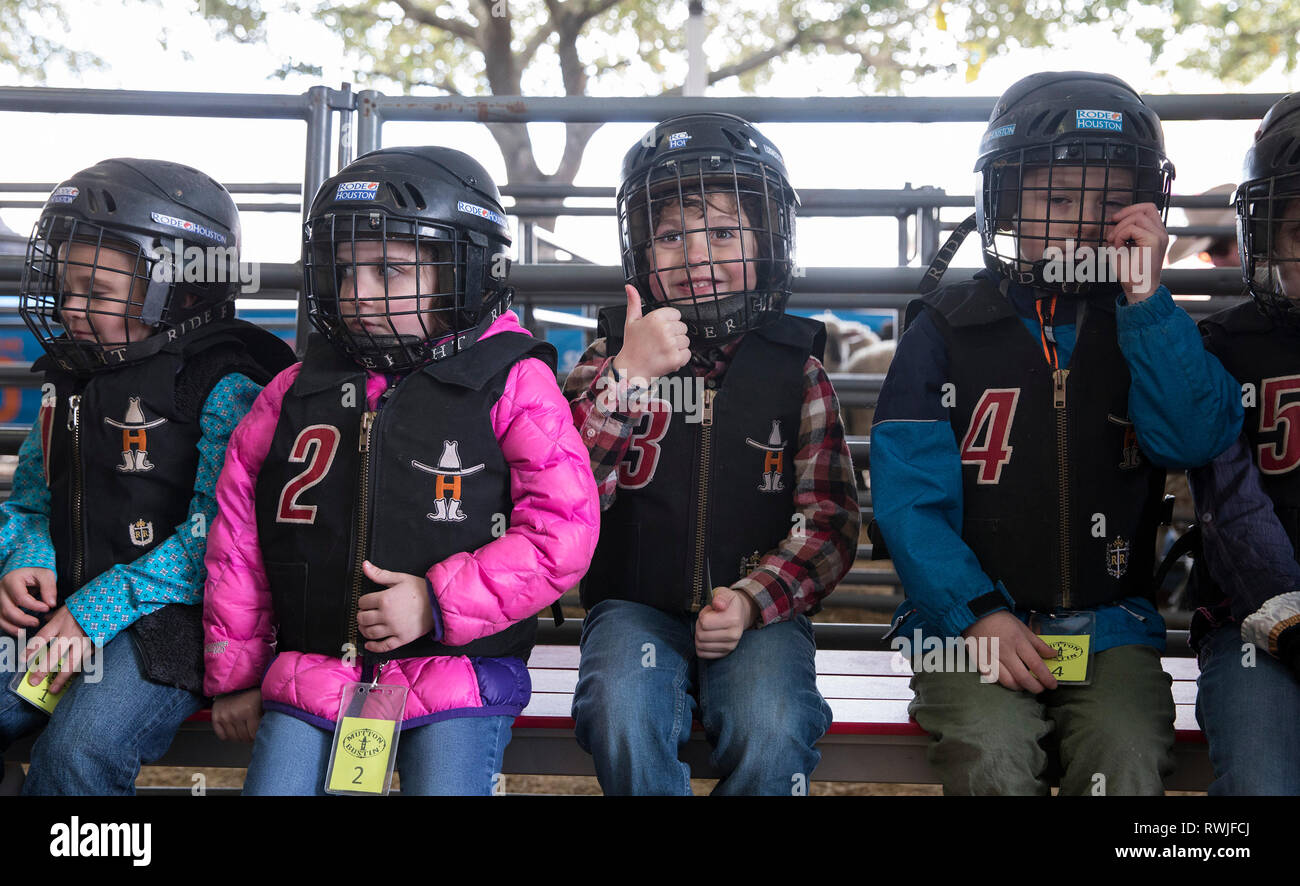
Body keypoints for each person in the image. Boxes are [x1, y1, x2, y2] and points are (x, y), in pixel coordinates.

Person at [870, 72, 1243, 795]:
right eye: (1058, 199)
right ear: (1006, 202)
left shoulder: (1148, 323)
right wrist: (975, 613)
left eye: (1108, 203)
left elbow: (1194, 439)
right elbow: (909, 499)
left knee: (1127, 756)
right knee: (991, 754)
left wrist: (1145, 302)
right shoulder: (944, 330)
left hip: (1111, 630)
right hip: (961, 632)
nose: (1082, 223)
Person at [202, 146, 599, 795]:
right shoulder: (294, 390)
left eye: (389, 270)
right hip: (312, 674)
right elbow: (236, 540)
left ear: (460, 270)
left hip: (458, 676)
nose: (358, 294)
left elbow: (562, 532)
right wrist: (238, 674)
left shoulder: (515, 381)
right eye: (345, 271)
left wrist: (437, 602)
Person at [565, 113, 861, 795]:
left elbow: (831, 523)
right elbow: (568, 498)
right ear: (643, 253)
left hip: (760, 611)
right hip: (633, 604)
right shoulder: (606, 361)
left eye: (724, 232)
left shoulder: (798, 373)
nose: (696, 254)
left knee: (773, 725)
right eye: (671, 237)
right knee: (621, 711)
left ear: (766, 244)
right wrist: (628, 379)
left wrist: (755, 599)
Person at [0, 158, 293, 795]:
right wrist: (23, 559)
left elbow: (216, 538)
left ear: (182, 292)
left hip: (173, 628)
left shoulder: (221, 385)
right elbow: (29, 501)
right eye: (66, 284)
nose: (72, 307)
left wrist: (91, 615)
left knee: (78, 752)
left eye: (98, 292)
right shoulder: (70, 376)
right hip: (60, 611)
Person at [1188, 92, 1300, 795]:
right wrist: (1288, 614)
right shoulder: (1227, 347)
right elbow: (1230, 505)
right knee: (1260, 780)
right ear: (1266, 236)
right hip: (1254, 628)